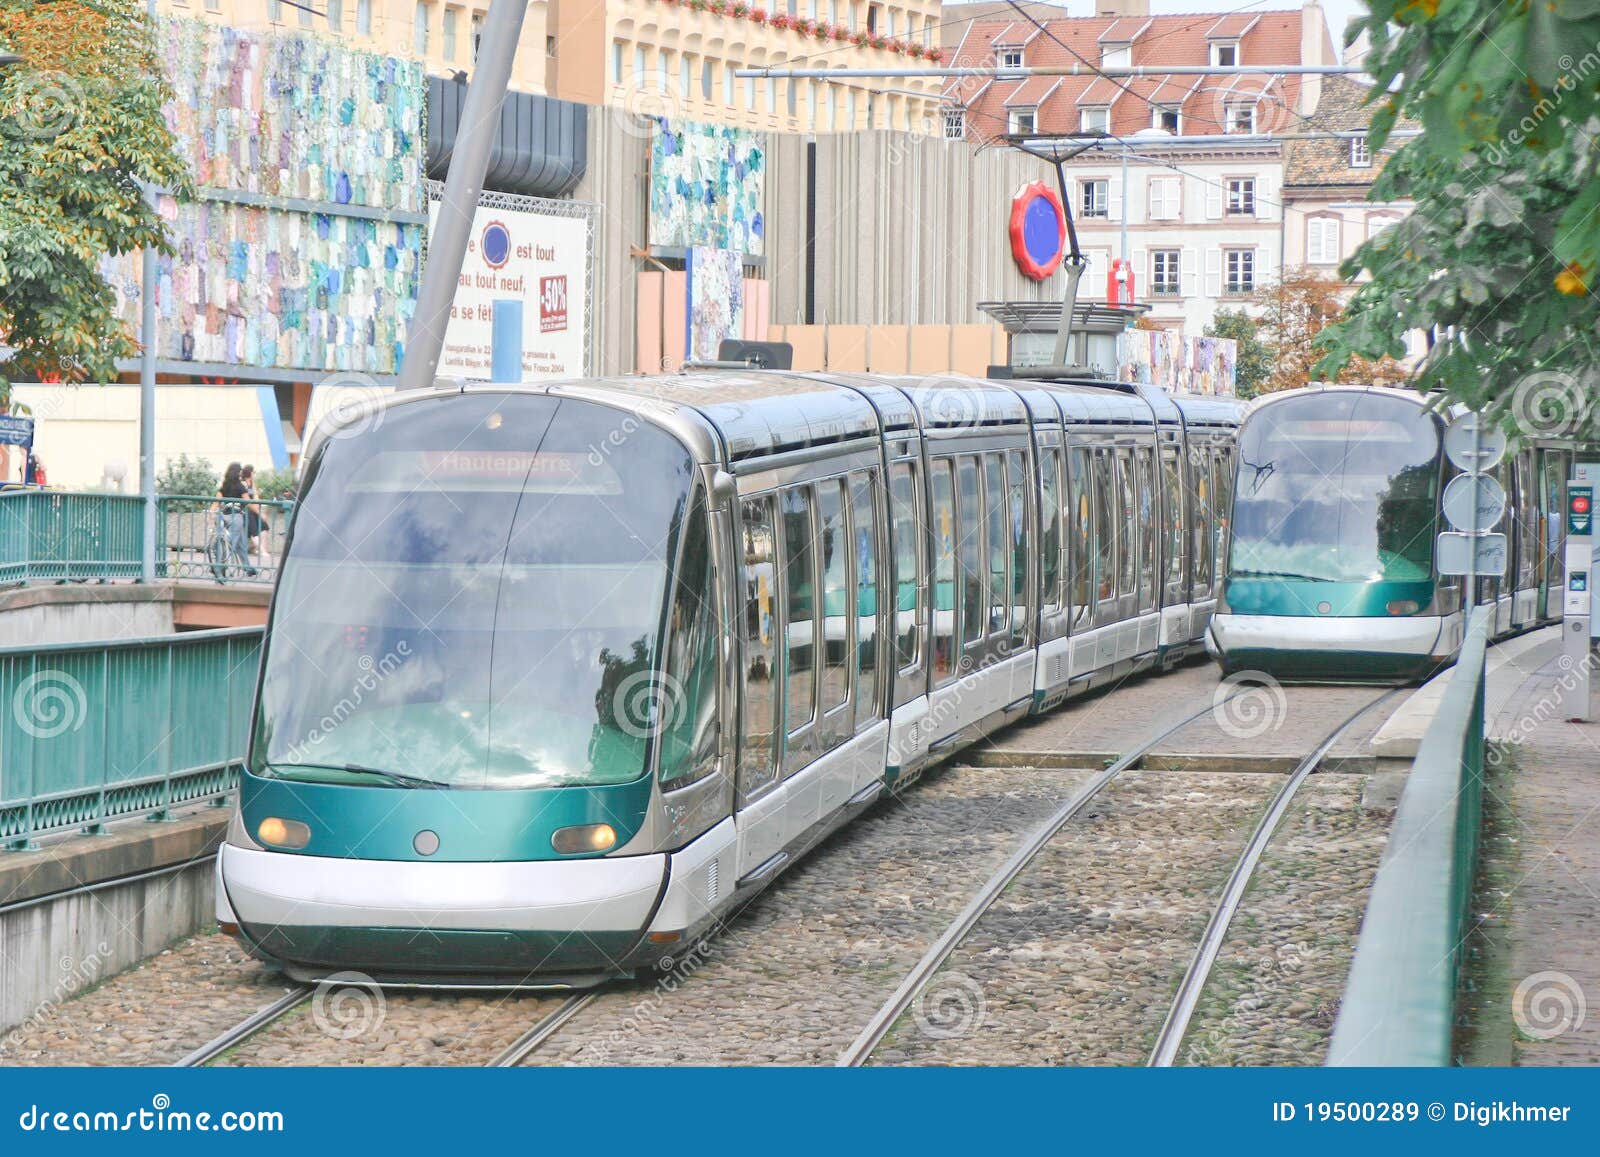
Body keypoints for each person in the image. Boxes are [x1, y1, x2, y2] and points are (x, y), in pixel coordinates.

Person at [217, 462, 255, 576]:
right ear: (238, 472)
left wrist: (212, 513)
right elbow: (248, 501)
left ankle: (248, 568)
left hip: (224, 515)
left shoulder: (224, 485)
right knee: (231, 543)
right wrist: (258, 511)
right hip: (236, 516)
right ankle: (220, 566)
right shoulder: (239, 486)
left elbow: (217, 500)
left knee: (241, 544)